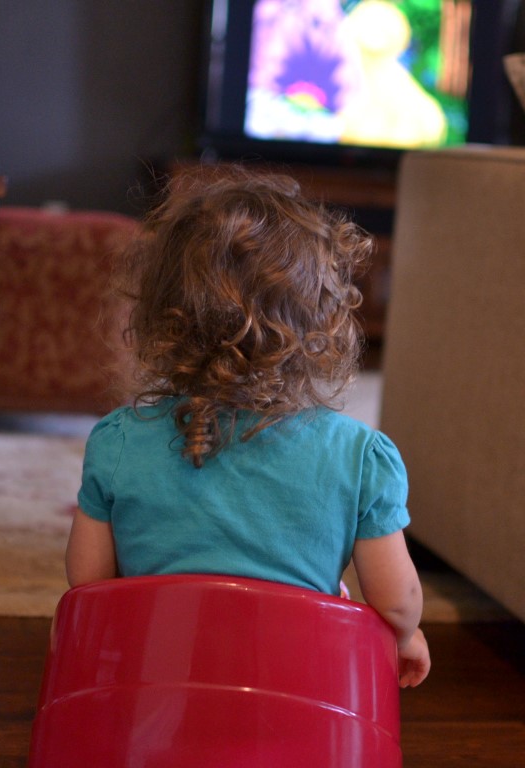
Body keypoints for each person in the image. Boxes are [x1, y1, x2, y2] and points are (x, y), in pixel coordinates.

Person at [65, 167, 430, 688]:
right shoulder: (360, 456)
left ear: (160, 317)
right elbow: (397, 603)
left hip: (156, 691)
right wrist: (408, 636)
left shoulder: (118, 441)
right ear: (324, 322)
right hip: (296, 692)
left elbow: (88, 585)